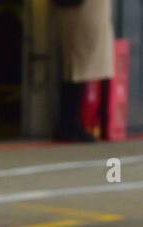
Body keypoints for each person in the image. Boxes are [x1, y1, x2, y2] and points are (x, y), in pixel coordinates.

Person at [54, 0, 115, 142]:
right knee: (80, 65)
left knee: (78, 67)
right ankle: (71, 124)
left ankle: (70, 124)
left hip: (83, 9)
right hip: (82, 8)